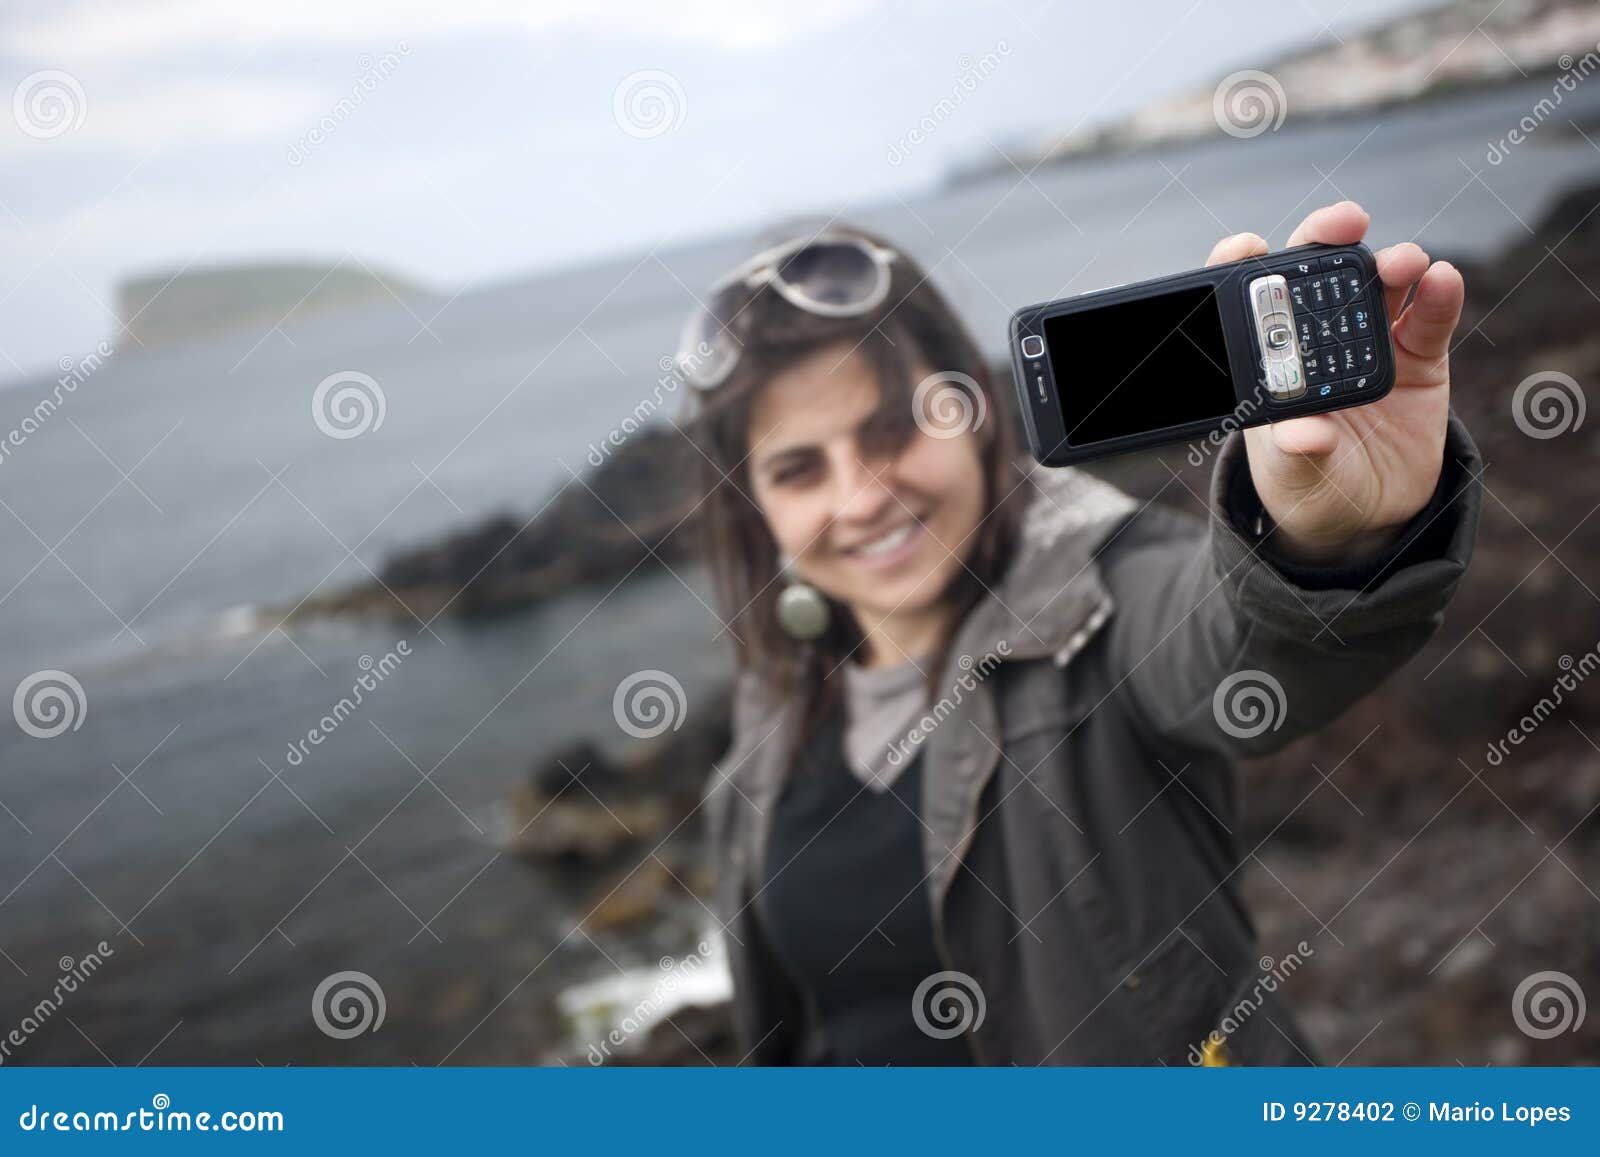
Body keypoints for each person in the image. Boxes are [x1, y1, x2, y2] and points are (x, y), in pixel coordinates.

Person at [680, 201, 1480, 1065]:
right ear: (754, 507)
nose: (862, 497)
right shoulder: (775, 702)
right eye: (799, 469)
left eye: (894, 429)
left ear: (974, 404)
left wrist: (1327, 536)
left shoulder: (1105, 594)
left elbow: (1242, 642)